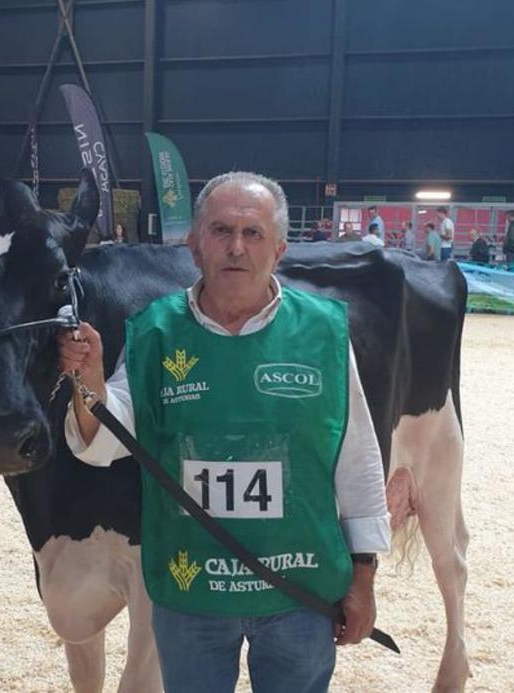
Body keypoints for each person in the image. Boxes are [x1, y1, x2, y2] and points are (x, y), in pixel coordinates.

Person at [56, 171, 389, 693]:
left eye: (253, 233)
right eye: (220, 231)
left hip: (298, 591)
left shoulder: (323, 332)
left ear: (278, 249)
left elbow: (358, 458)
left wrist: (363, 577)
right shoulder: (155, 332)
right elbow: (103, 442)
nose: (236, 247)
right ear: (193, 245)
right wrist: (89, 376)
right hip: (192, 594)